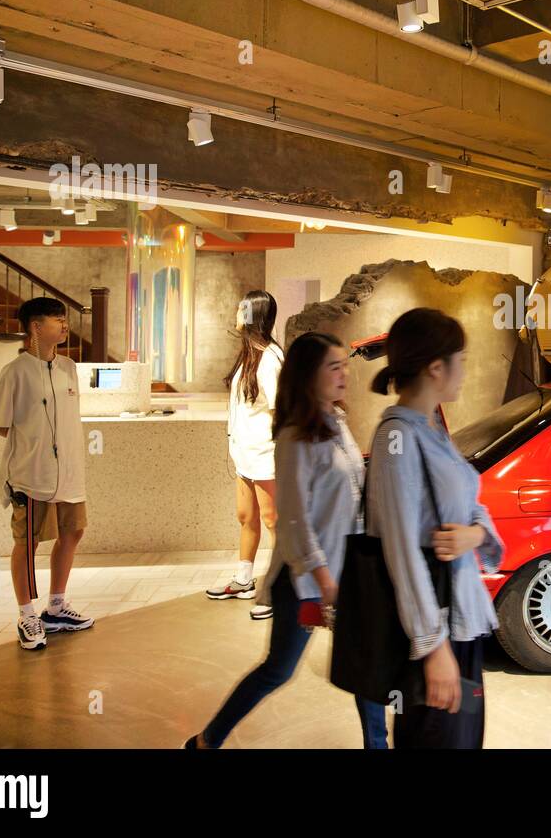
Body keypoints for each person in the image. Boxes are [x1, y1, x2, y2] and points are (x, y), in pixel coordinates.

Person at [187, 332, 388, 749]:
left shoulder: (336, 421)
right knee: (278, 669)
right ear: (308, 374)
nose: (343, 373)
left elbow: (351, 497)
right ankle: (207, 740)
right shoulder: (297, 436)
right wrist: (326, 582)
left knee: (366, 663)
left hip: (343, 570)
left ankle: (378, 745)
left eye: (343, 364)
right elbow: (295, 521)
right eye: (333, 366)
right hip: (304, 581)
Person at [367, 308, 504, 749]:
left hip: (462, 621)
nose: (466, 370)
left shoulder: (433, 429)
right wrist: (433, 647)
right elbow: (401, 552)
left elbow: (471, 505)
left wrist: (475, 535)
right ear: (435, 367)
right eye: (461, 359)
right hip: (436, 634)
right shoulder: (397, 439)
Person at [0, 297, 94, 651]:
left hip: (70, 475)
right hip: (31, 474)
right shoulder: (15, 372)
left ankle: (56, 607)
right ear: (35, 326)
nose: (64, 325)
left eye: (65, 319)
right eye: (56, 319)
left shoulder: (68, 366)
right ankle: (25, 614)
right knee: (27, 543)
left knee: (73, 532)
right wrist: (35, 443)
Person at [207, 290, 284, 619]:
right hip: (245, 454)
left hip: (266, 455)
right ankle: (243, 579)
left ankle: (283, 588)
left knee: (273, 522)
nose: (236, 312)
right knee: (246, 518)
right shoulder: (249, 354)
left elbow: (281, 410)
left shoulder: (270, 358)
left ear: (254, 314)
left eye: (242, 308)